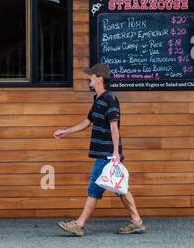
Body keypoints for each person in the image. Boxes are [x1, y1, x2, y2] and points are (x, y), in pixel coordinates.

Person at [53, 63, 144, 236]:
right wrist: (66, 131)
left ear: (99, 78)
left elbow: (114, 126)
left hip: (108, 153)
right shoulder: (98, 100)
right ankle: (136, 221)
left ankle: (79, 224)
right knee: (121, 188)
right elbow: (87, 122)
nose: (89, 78)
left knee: (95, 186)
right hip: (105, 152)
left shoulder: (110, 99)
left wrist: (116, 153)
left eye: (91, 75)